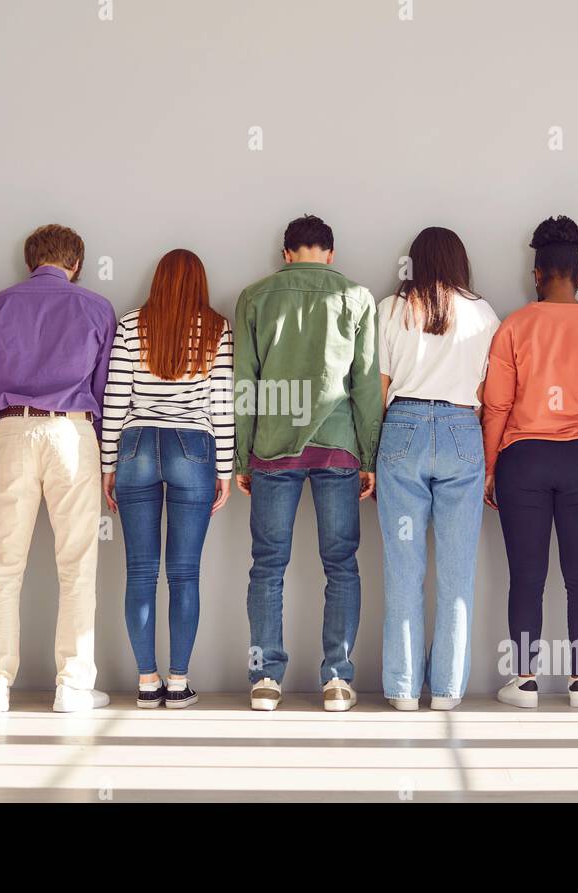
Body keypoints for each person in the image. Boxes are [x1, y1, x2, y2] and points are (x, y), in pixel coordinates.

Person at [234, 214, 381, 712]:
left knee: (267, 566)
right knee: (341, 565)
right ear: (331, 254)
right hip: (339, 445)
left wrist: (242, 457)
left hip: (273, 449)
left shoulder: (255, 297)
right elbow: (365, 385)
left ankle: (265, 680)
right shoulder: (357, 298)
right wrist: (370, 456)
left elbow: (244, 384)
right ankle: (337, 680)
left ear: (286, 252)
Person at [0, 224, 117, 714]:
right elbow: (102, 389)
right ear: (75, 263)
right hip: (72, 433)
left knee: (3, 566)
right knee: (77, 565)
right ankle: (73, 687)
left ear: (31, 260)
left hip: (10, 429)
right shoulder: (97, 308)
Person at [482, 216, 578, 709]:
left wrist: (487, 467)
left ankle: (524, 681)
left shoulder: (514, 326)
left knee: (526, 574)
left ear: (536, 274)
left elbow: (497, 406)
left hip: (523, 459)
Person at [100, 249, 234, 709]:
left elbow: (115, 394)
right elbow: (221, 403)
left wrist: (107, 465)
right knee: (184, 573)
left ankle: (145, 681)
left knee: (139, 571)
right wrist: (225, 469)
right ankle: (178, 683)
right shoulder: (217, 328)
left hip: (135, 443)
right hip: (192, 447)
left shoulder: (131, 324)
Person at [376, 227, 500, 711]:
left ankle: (403, 689)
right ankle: (447, 690)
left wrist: (376, 453)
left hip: (402, 426)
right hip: (460, 430)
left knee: (402, 569)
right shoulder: (483, 313)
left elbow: (379, 390)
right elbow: (490, 396)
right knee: (457, 572)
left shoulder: (391, 308)